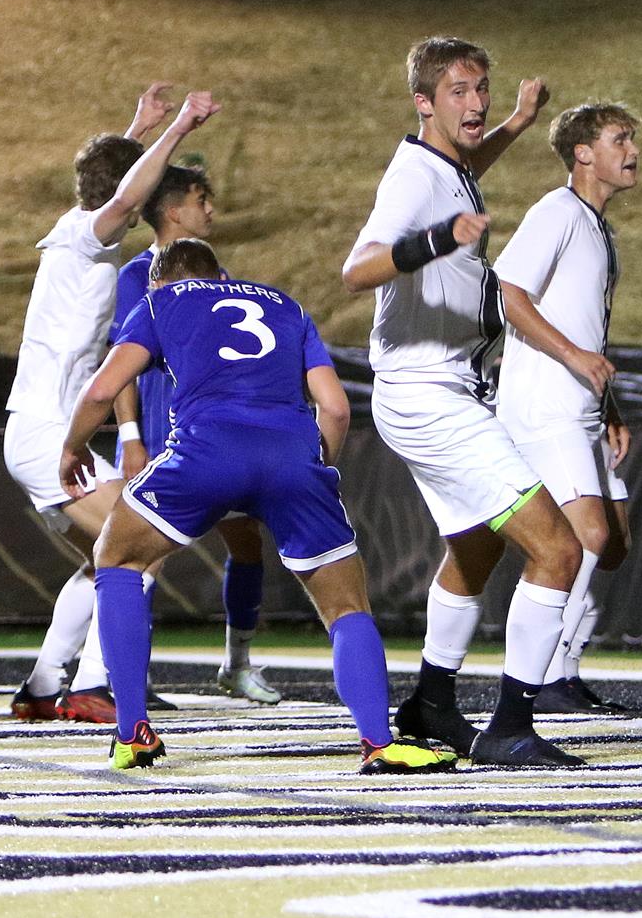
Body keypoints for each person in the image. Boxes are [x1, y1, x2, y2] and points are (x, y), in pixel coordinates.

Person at [62, 238, 455, 774]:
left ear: (162, 279)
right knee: (346, 608)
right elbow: (335, 408)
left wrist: (72, 447)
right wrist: (317, 470)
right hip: (292, 456)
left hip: (206, 453)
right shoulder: (288, 307)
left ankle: (133, 733)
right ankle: (379, 742)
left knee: (117, 557)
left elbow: (103, 388)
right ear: (219, 275)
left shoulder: (160, 300)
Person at [341, 36, 588, 768]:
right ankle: (511, 724)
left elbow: (466, 167)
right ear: (423, 101)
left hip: (437, 390)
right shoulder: (415, 178)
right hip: (428, 395)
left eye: (481, 87)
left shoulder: (446, 166)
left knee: (476, 546)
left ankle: (431, 701)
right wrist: (438, 239)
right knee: (558, 548)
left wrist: (516, 121)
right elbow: (357, 270)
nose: (474, 102)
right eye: (458, 90)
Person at [2, 86, 218, 723]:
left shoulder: (75, 232)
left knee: (101, 562)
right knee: (140, 546)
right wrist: (176, 127)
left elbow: (113, 187)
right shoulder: (88, 237)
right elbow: (123, 195)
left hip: (36, 429)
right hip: (47, 432)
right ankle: (95, 685)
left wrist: (138, 128)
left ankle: (43, 685)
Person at [494, 103, 641, 713]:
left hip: (581, 408)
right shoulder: (556, 211)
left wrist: (607, 404)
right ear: (583, 153)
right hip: (542, 405)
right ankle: (544, 677)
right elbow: (509, 294)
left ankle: (563, 670)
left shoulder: (596, 224)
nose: (633, 149)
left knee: (613, 544)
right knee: (583, 536)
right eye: (619, 139)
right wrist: (575, 357)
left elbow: (588, 326)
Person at [113, 164, 278, 705]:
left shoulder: (218, 275)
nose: (210, 210)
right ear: (172, 209)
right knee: (144, 556)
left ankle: (237, 663)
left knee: (247, 541)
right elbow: (119, 364)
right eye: (200, 198)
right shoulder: (137, 274)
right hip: (162, 431)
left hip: (217, 433)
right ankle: (124, 679)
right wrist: (131, 436)